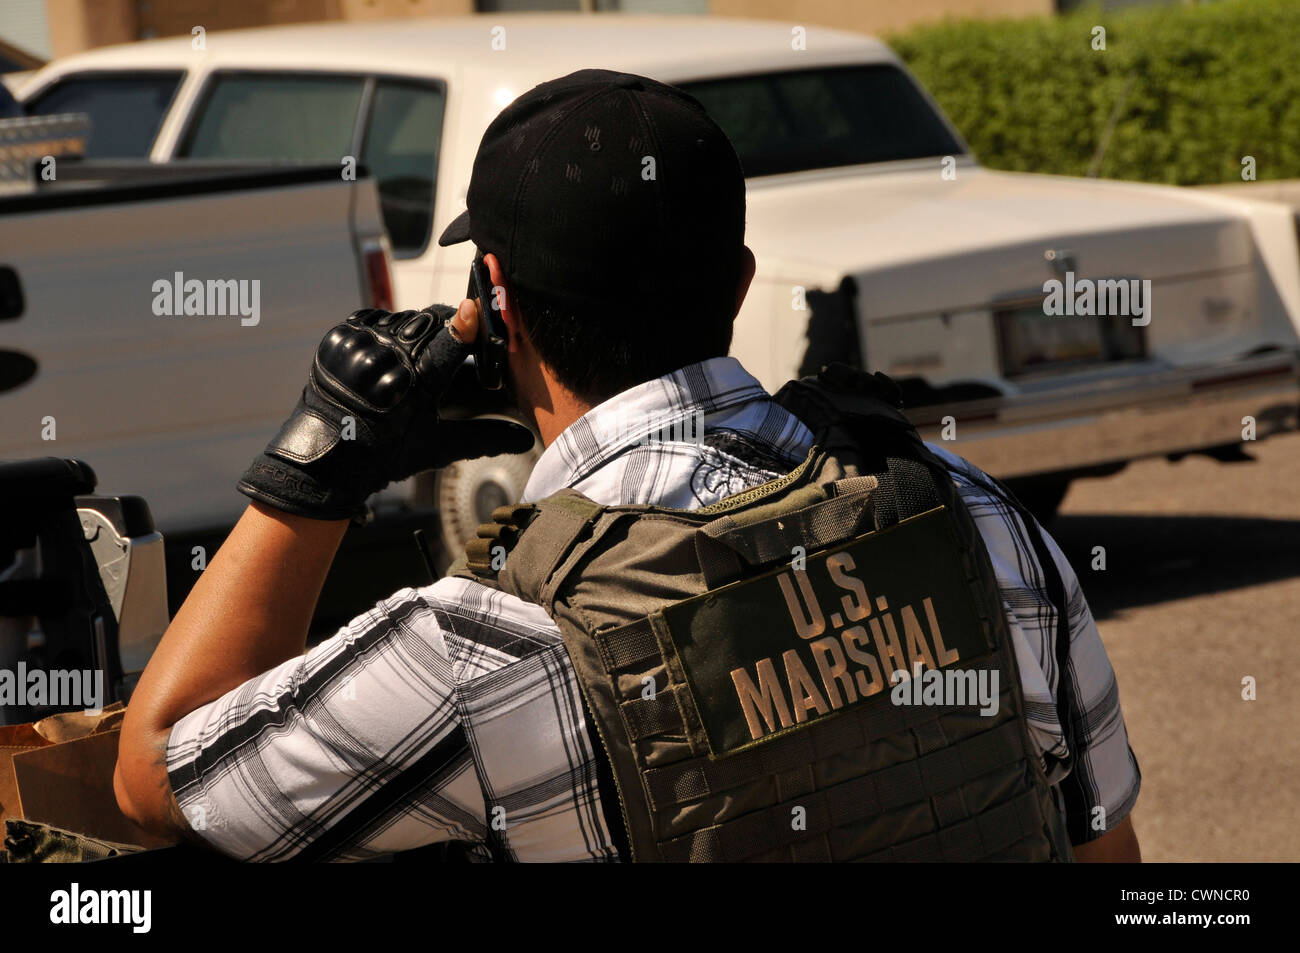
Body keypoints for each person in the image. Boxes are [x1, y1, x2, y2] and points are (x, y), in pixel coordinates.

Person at [115, 69, 1141, 862]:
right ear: (736, 284)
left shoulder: (483, 640)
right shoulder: (970, 516)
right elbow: (1103, 844)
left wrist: (326, 459)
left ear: (496, 298)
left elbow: (161, 776)